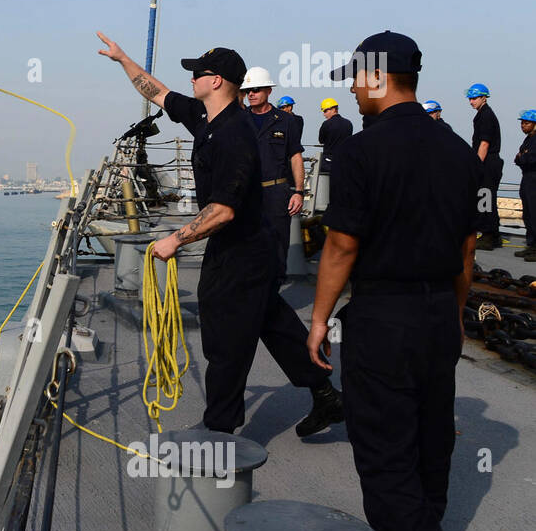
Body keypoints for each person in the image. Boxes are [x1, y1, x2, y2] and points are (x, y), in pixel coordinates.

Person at [307, 31, 481, 531]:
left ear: (378, 78)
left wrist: (319, 318)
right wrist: (454, 315)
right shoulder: (460, 151)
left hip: (384, 316)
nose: (353, 90)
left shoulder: (360, 152)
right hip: (437, 315)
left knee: (383, 444)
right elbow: (466, 250)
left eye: (356, 78)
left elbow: (342, 243)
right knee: (431, 435)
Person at [95, 33, 341, 436]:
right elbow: (158, 92)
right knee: (274, 323)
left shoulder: (234, 135)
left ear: (217, 81)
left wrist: (174, 240)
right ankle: (327, 397)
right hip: (249, 245)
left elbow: (223, 210)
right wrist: (123, 59)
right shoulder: (204, 117)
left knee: (226, 338)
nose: (191, 80)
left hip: (243, 250)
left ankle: (219, 431)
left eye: (198, 74)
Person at [242, 67, 305, 275]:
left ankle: (271, 298)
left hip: (276, 193)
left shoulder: (286, 121)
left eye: (256, 89)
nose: (251, 94)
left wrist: (298, 191)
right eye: (247, 90)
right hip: (246, 195)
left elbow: (295, 156)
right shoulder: (239, 120)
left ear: (269, 90)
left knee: (277, 250)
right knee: (246, 250)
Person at [468, 83, 502, 251]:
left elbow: (484, 143)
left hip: (488, 162)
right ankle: (492, 234)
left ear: (483, 97)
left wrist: (477, 166)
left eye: (474, 98)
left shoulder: (486, 116)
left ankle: (489, 235)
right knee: (485, 197)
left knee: (485, 197)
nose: (471, 101)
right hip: (488, 161)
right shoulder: (482, 115)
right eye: (470, 98)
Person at [516, 110, 536, 261]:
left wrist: (523, 157)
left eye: (526, 123)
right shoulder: (527, 140)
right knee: (527, 213)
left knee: (534, 212)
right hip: (527, 178)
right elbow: (519, 158)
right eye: (522, 123)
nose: (523, 125)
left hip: (533, 179)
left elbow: (529, 159)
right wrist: (523, 157)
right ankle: (531, 245)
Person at [317, 98, 353, 174]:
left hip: (328, 162)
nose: (324, 114)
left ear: (333, 109)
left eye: (325, 111)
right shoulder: (348, 123)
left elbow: (321, 140)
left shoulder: (326, 124)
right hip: (344, 161)